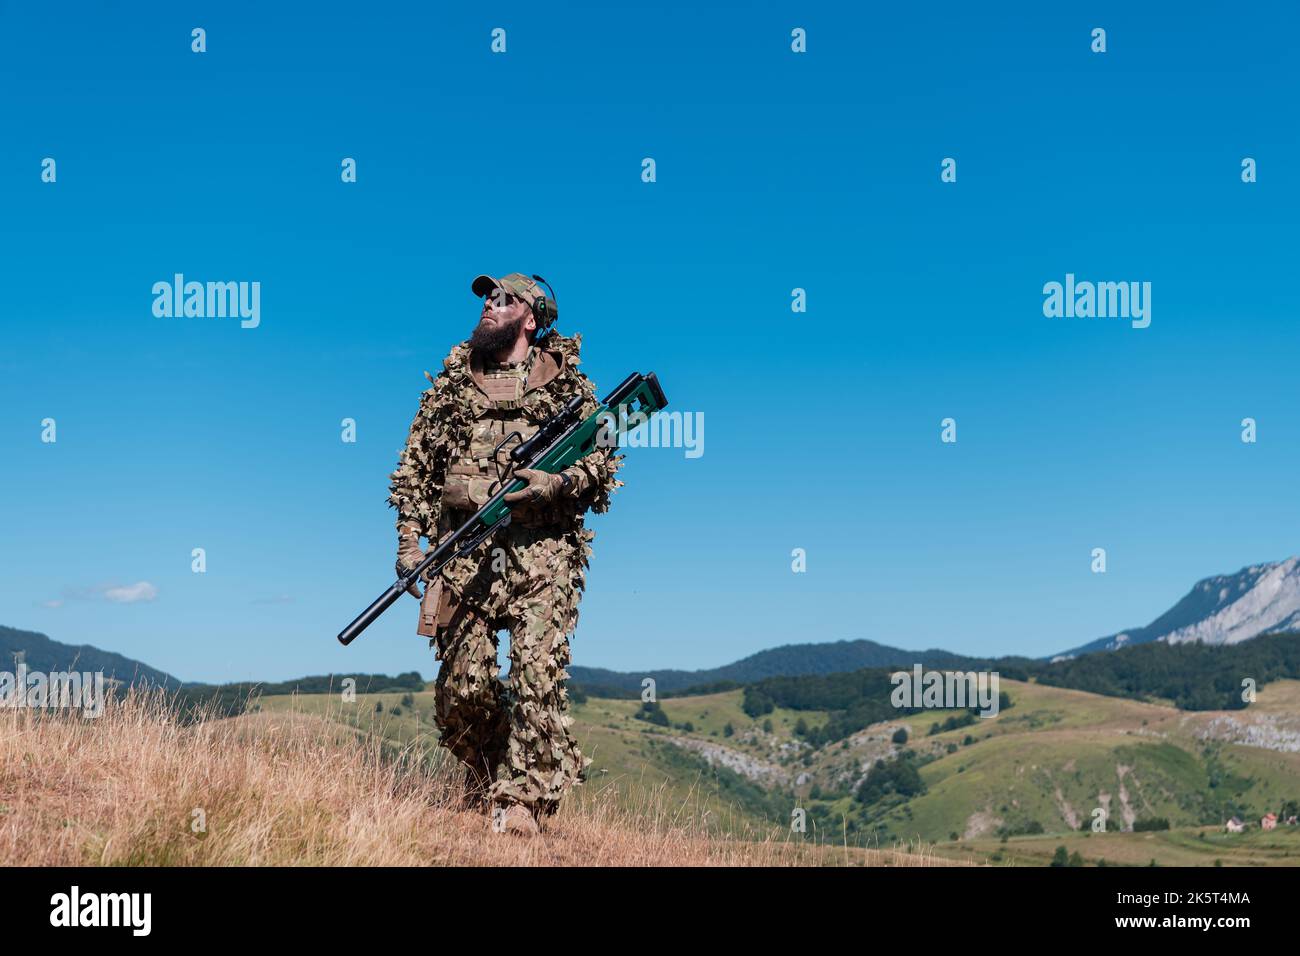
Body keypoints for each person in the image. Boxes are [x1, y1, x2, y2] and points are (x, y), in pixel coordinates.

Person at [387, 273, 621, 835]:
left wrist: (551, 486)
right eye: (488, 299)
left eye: (505, 299)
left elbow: (602, 461)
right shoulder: (453, 386)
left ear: (532, 318)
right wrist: (408, 540)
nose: (491, 305)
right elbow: (417, 467)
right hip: (464, 554)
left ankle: (523, 802)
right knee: (460, 694)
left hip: (542, 556)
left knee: (537, 678)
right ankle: (490, 770)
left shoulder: (566, 387)